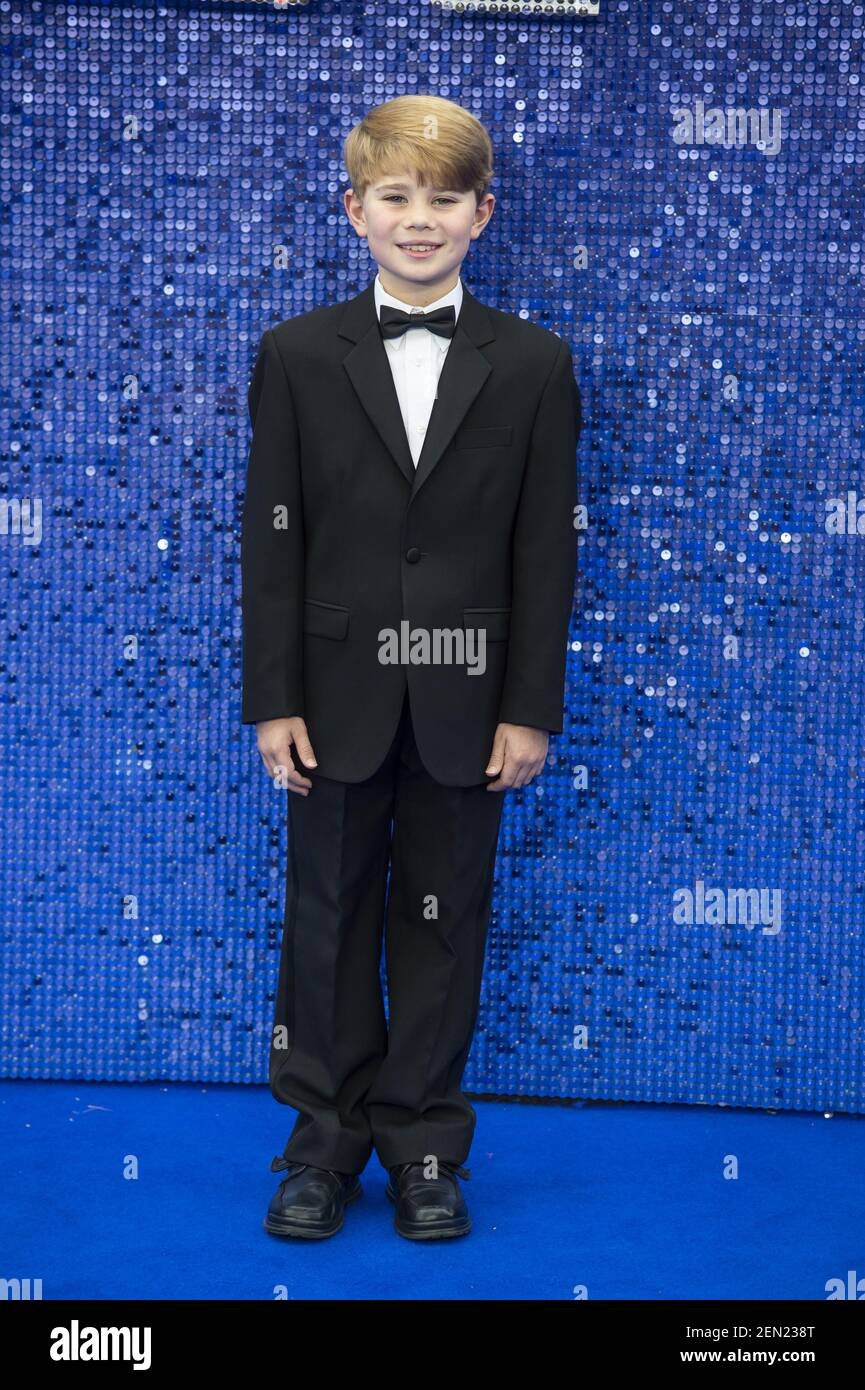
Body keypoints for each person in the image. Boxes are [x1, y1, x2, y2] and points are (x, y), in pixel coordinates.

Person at [240, 94, 581, 1241]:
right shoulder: (293, 354)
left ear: (483, 215)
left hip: (467, 697)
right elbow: (271, 540)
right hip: (331, 699)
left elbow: (544, 549)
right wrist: (272, 698)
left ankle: (426, 1145)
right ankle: (320, 1150)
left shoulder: (536, 364)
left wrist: (528, 706)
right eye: (396, 198)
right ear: (356, 212)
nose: (419, 219)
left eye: (444, 200)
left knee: (443, 922)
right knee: (326, 917)